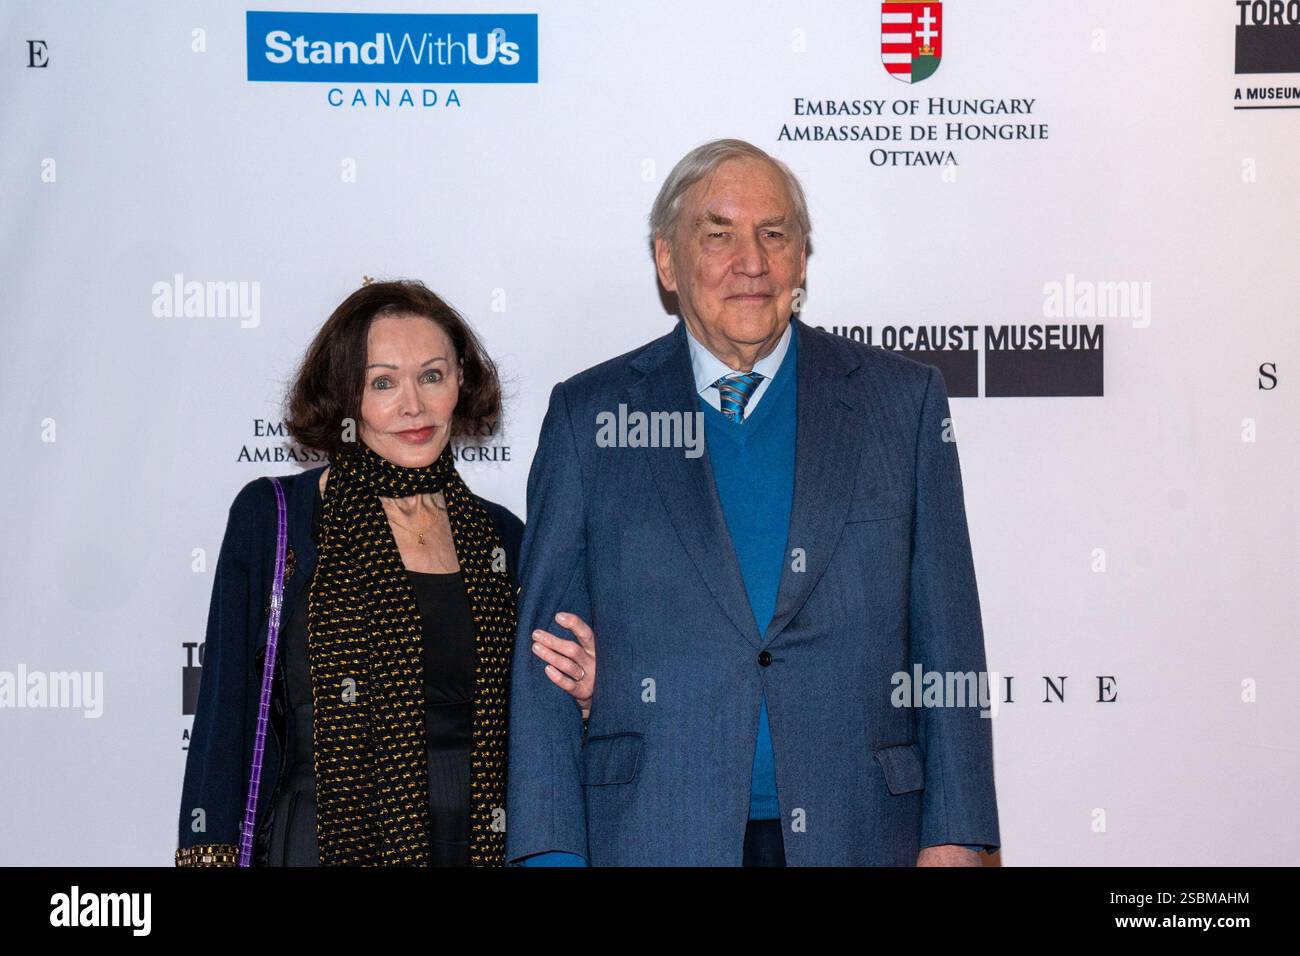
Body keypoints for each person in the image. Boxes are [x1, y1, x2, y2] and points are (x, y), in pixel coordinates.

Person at [506, 139, 1000, 866]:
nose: (752, 261)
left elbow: (947, 635)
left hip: (864, 833)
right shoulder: (591, 416)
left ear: (802, 259)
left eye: (775, 234)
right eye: (718, 235)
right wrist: (550, 855)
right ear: (667, 263)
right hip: (653, 832)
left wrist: (957, 835)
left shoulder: (904, 402)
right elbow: (548, 658)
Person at [176, 280, 594, 866]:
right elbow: (225, 711)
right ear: (345, 397)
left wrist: (586, 698)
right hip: (321, 847)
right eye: (382, 383)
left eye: (431, 375)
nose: (413, 406)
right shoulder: (273, 518)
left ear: (461, 383)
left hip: (483, 849)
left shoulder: (505, 538)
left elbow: (538, 720)